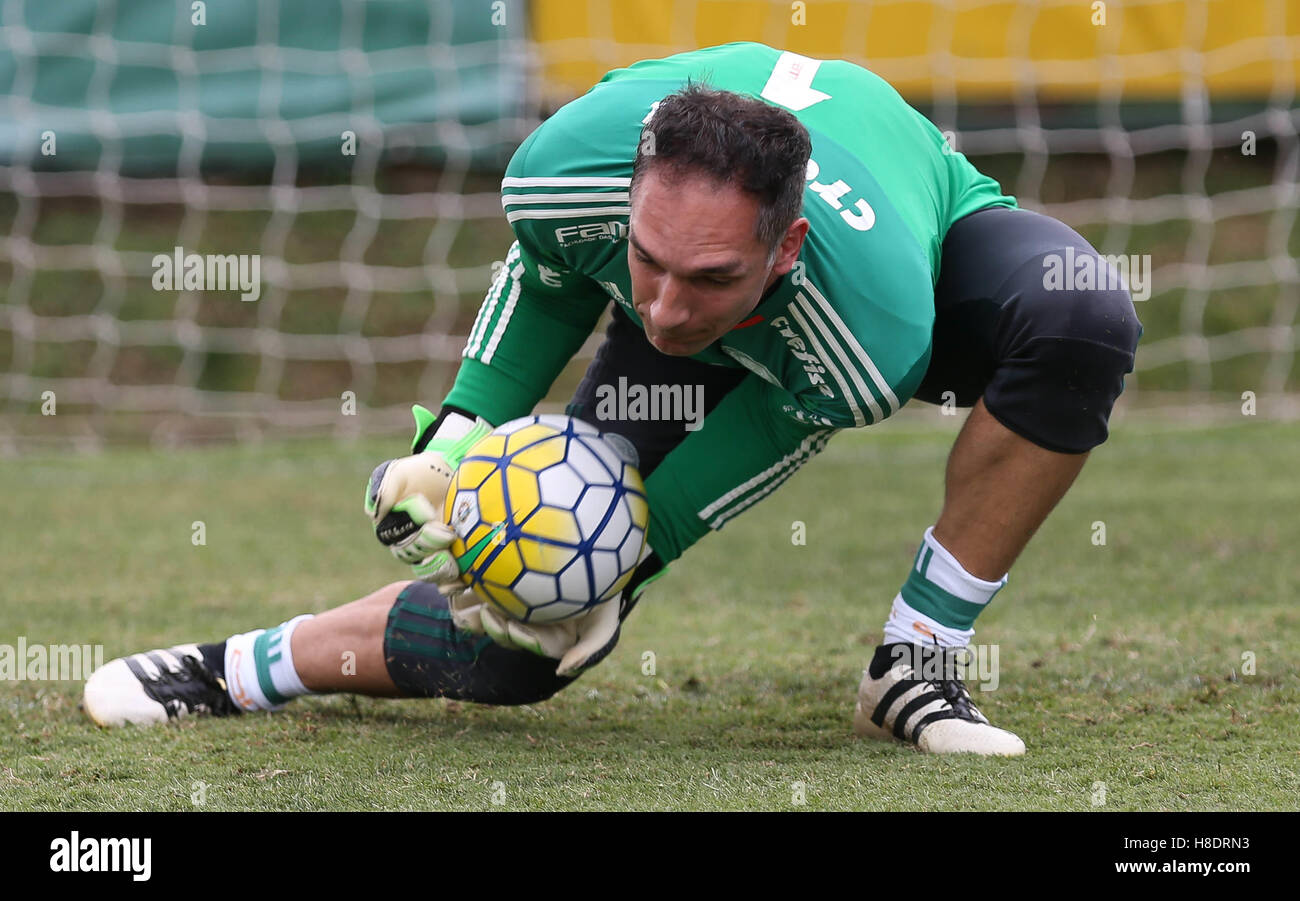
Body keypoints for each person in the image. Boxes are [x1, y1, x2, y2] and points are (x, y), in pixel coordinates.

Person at [83, 42, 1140, 756]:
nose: (668, 311)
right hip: (764, 270)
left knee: (1080, 312)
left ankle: (914, 661)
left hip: (917, 253)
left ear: (784, 249)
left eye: (711, 278)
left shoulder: (871, 332)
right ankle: (236, 666)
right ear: (625, 203)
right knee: (516, 635)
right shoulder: (563, 176)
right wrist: (456, 444)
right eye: (645, 262)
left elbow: (776, 420)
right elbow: (545, 277)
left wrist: (632, 549)